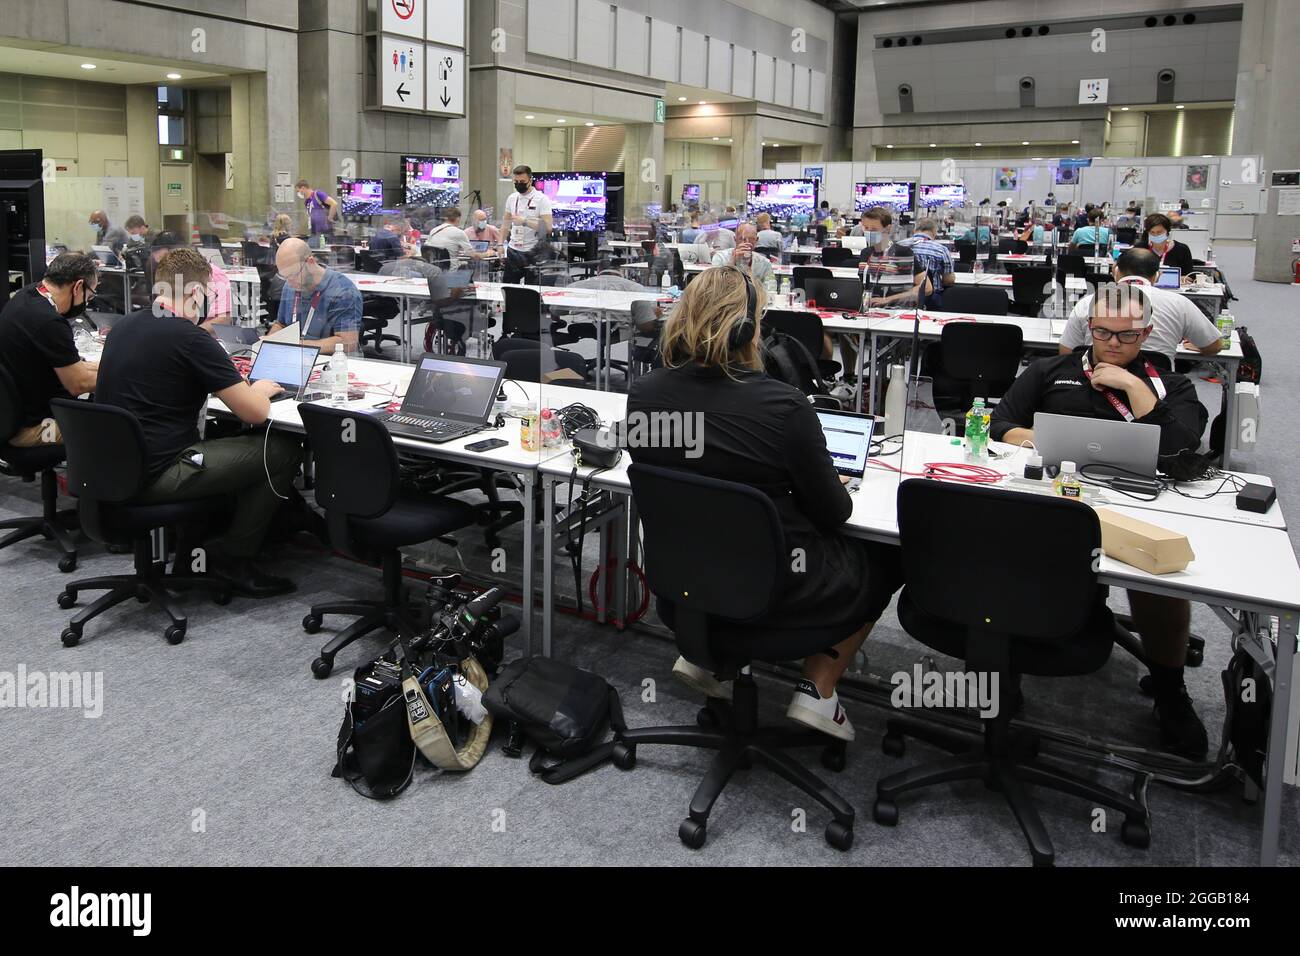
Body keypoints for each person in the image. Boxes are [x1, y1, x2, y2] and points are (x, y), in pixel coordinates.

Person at [627, 267, 904, 740]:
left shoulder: (644, 393)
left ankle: (710, 656)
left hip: (685, 587)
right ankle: (818, 686)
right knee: (887, 551)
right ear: (747, 329)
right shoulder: (784, 406)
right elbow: (835, 512)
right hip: (781, 593)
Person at [989, 284, 1209, 758]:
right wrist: (1049, 442)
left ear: (1146, 334)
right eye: (1103, 332)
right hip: (1052, 496)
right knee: (1005, 551)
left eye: (1127, 336)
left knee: (1162, 580)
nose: (1113, 343)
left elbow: (1181, 449)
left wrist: (1134, 388)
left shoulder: (1171, 384)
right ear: (1089, 327)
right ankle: (1003, 670)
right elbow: (1001, 425)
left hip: (1138, 507)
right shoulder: (1050, 371)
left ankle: (1169, 690)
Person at [96, 248, 301, 597]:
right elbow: (253, 413)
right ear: (195, 292)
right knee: (282, 450)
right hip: (159, 473)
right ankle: (233, 558)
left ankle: (200, 547)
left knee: (225, 438)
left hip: (114, 468)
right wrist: (260, 390)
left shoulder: (124, 326)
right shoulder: (190, 338)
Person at [1059, 249, 1222, 368]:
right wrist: (1192, 344)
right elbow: (1214, 346)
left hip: (1095, 385)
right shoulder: (1179, 303)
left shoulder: (1088, 302)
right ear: (1157, 276)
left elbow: (1067, 353)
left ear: (1115, 271)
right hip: (1157, 389)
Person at [0, 252, 100, 447]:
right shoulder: (48, 322)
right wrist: (123, 375)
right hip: (34, 429)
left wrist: (107, 365)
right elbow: (78, 384)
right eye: (89, 296)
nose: (86, 303)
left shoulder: (26, 296)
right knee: (116, 427)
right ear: (78, 286)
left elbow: (74, 367)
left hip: (10, 420)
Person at [270, 238, 362, 352]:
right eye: (285, 276)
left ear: (310, 263)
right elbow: (281, 324)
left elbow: (348, 343)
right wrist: (268, 343)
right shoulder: (290, 286)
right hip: (295, 354)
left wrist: (298, 346)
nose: (289, 282)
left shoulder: (343, 292)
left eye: (293, 275)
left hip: (330, 359)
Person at [149, 232, 232, 330]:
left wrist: (191, 333)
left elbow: (224, 319)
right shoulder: (166, 275)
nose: (165, 264)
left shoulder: (211, 274)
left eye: (165, 258)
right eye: (159, 261)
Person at [501, 165, 553, 284]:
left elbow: (548, 227)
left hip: (533, 251)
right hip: (514, 249)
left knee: (532, 287)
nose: (519, 184)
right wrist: (500, 244)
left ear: (530, 180)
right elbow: (505, 224)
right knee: (509, 286)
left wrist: (525, 222)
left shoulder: (542, 199)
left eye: (522, 182)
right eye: (516, 182)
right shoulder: (512, 198)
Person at [896, 218, 954, 308]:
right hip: (931, 301)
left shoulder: (898, 246)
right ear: (934, 232)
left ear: (915, 230)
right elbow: (949, 280)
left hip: (900, 298)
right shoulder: (941, 250)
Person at [425, 208, 494, 270]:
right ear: (458, 219)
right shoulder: (459, 232)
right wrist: (487, 254)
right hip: (451, 271)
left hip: (433, 271)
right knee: (470, 266)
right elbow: (474, 256)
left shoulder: (433, 231)